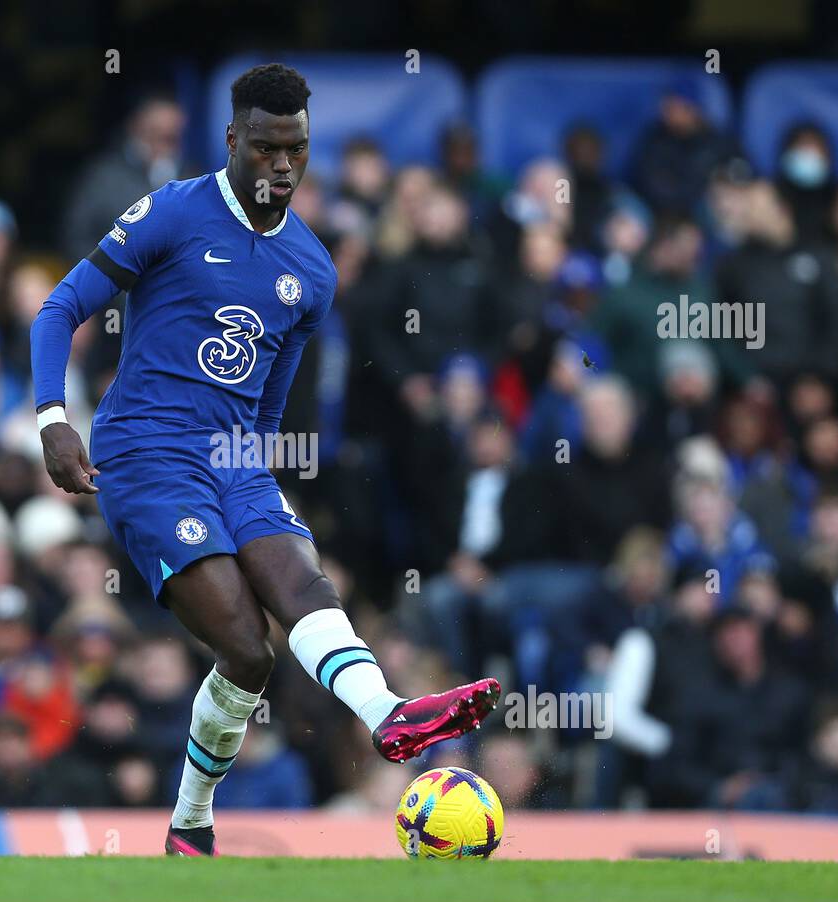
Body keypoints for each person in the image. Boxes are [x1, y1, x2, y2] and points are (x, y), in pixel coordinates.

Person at [30, 64, 501, 857]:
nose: (283, 166)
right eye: (268, 148)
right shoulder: (173, 211)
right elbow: (59, 307)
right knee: (248, 647)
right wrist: (52, 419)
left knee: (301, 580)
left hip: (237, 457)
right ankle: (190, 815)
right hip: (145, 452)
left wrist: (258, 484)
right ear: (233, 140)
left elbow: (270, 399)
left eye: (298, 150)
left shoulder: (313, 270)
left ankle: (388, 715)